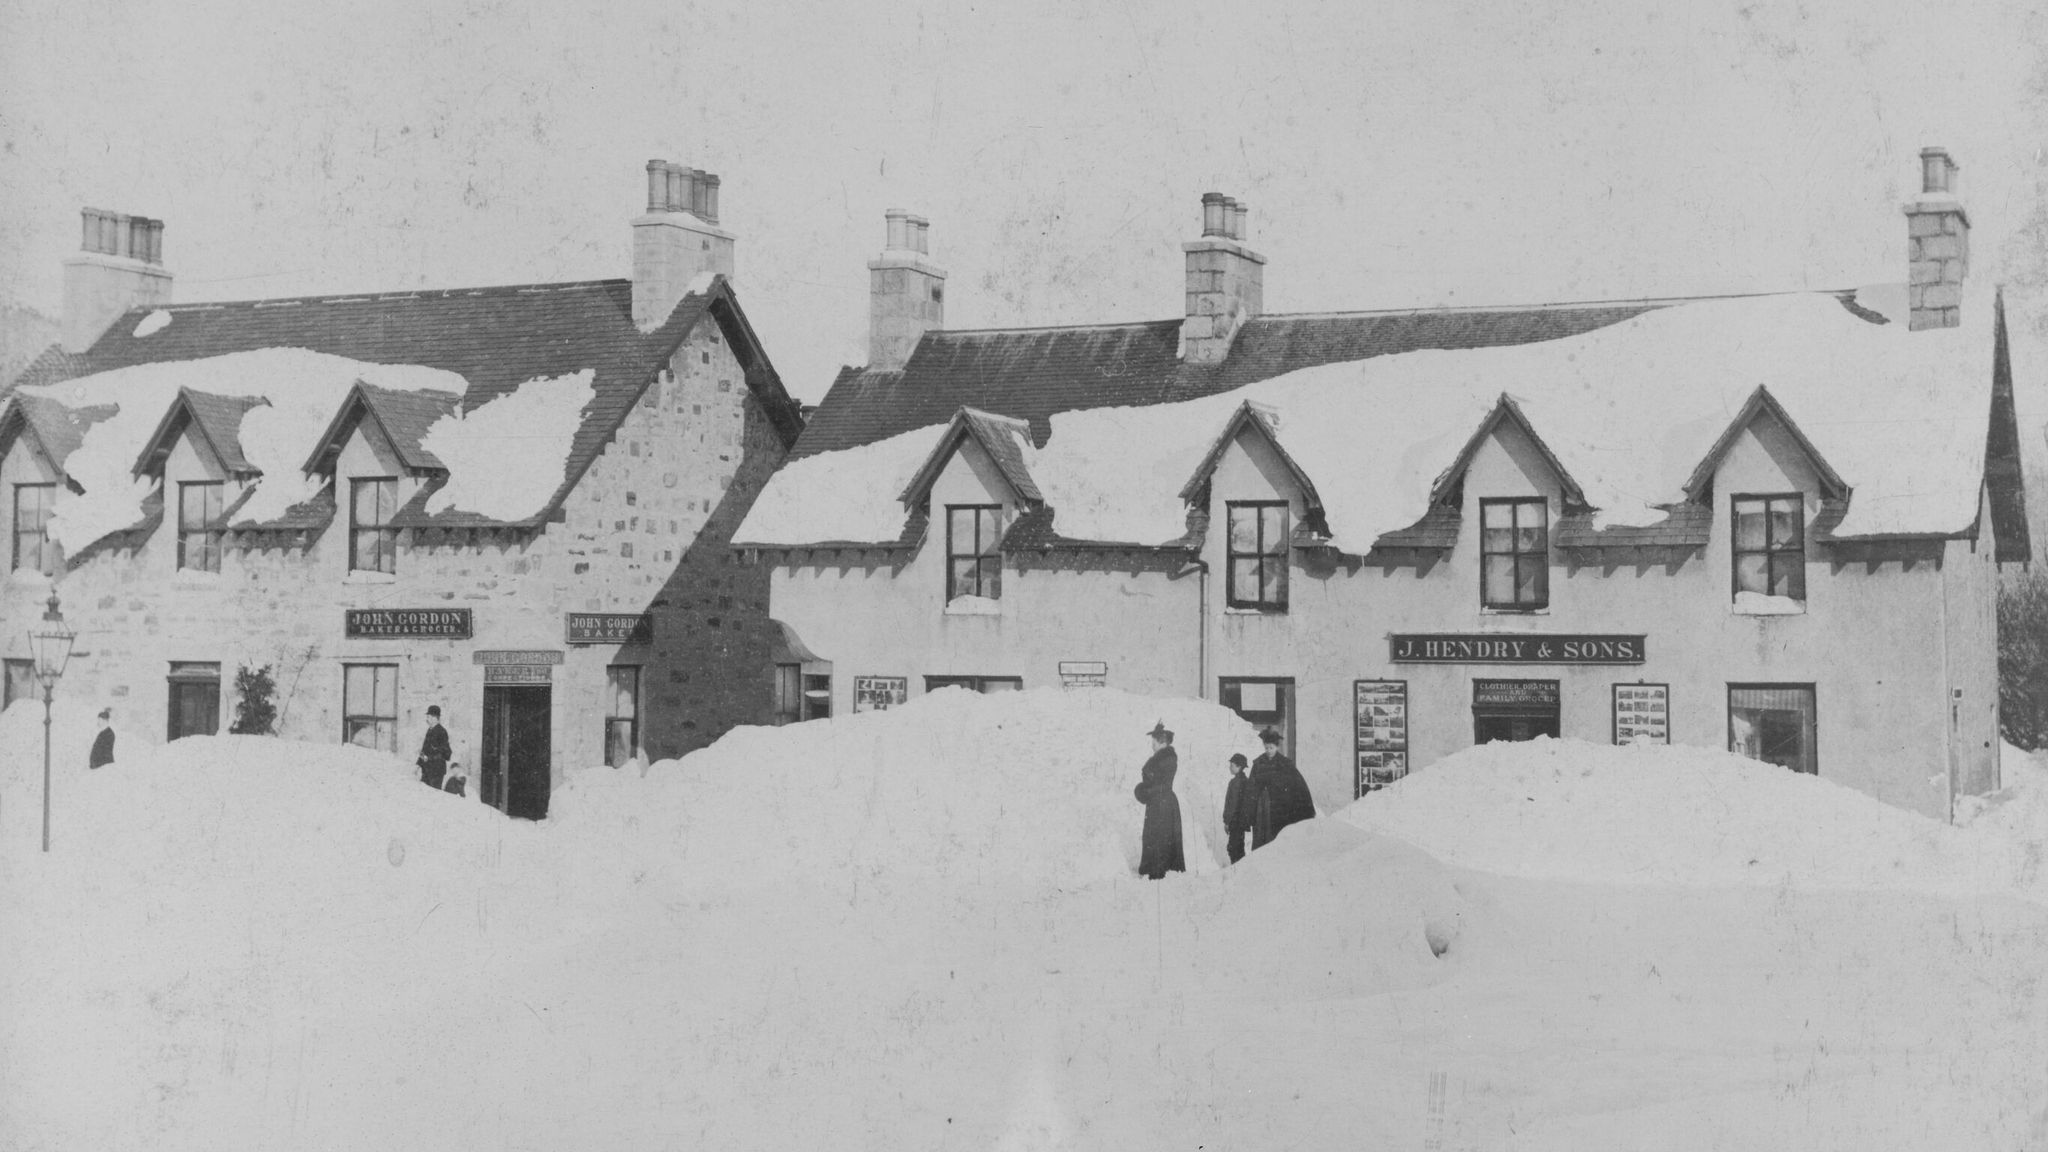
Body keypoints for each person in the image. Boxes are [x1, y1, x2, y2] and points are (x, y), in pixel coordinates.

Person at [1248, 727, 1315, 851]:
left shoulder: (1285, 764)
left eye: (1271, 748)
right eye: (1266, 748)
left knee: (1278, 840)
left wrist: (1306, 809)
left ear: (1277, 747)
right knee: (1261, 842)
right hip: (1262, 811)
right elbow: (1251, 788)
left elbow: (1298, 786)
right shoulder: (1258, 764)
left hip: (1280, 810)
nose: (1268, 751)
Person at [1133, 720, 1185, 879]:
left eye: (1153, 742)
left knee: (1161, 838)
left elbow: (1162, 784)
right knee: (1154, 836)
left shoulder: (1168, 759)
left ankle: (1159, 873)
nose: (1151, 745)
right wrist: (1143, 790)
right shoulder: (1161, 758)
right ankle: (1155, 871)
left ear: (1162, 742)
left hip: (1163, 803)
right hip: (1157, 802)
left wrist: (1145, 791)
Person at [1222, 752, 1252, 863]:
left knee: (1233, 848)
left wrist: (1227, 821)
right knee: (1239, 847)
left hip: (1234, 821)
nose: (1230, 767)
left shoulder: (1235, 783)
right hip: (1242, 821)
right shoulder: (1246, 781)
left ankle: (1236, 872)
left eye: (1232, 765)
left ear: (1239, 767)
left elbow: (1232, 804)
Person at [416, 705, 451, 789]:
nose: (427, 719)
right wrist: (418, 764)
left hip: (436, 771)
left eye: (428, 717)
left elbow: (445, 753)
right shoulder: (430, 730)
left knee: (434, 795)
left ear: (434, 718)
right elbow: (424, 749)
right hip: (427, 769)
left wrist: (429, 758)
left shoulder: (442, 731)